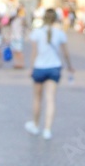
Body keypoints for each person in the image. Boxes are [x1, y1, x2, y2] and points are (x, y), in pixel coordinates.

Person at [25, 8, 74, 140]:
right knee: (50, 99)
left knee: (37, 98)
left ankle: (35, 125)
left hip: (39, 67)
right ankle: (47, 129)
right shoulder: (60, 33)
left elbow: (34, 52)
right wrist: (70, 67)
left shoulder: (37, 33)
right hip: (54, 67)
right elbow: (65, 53)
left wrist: (31, 67)